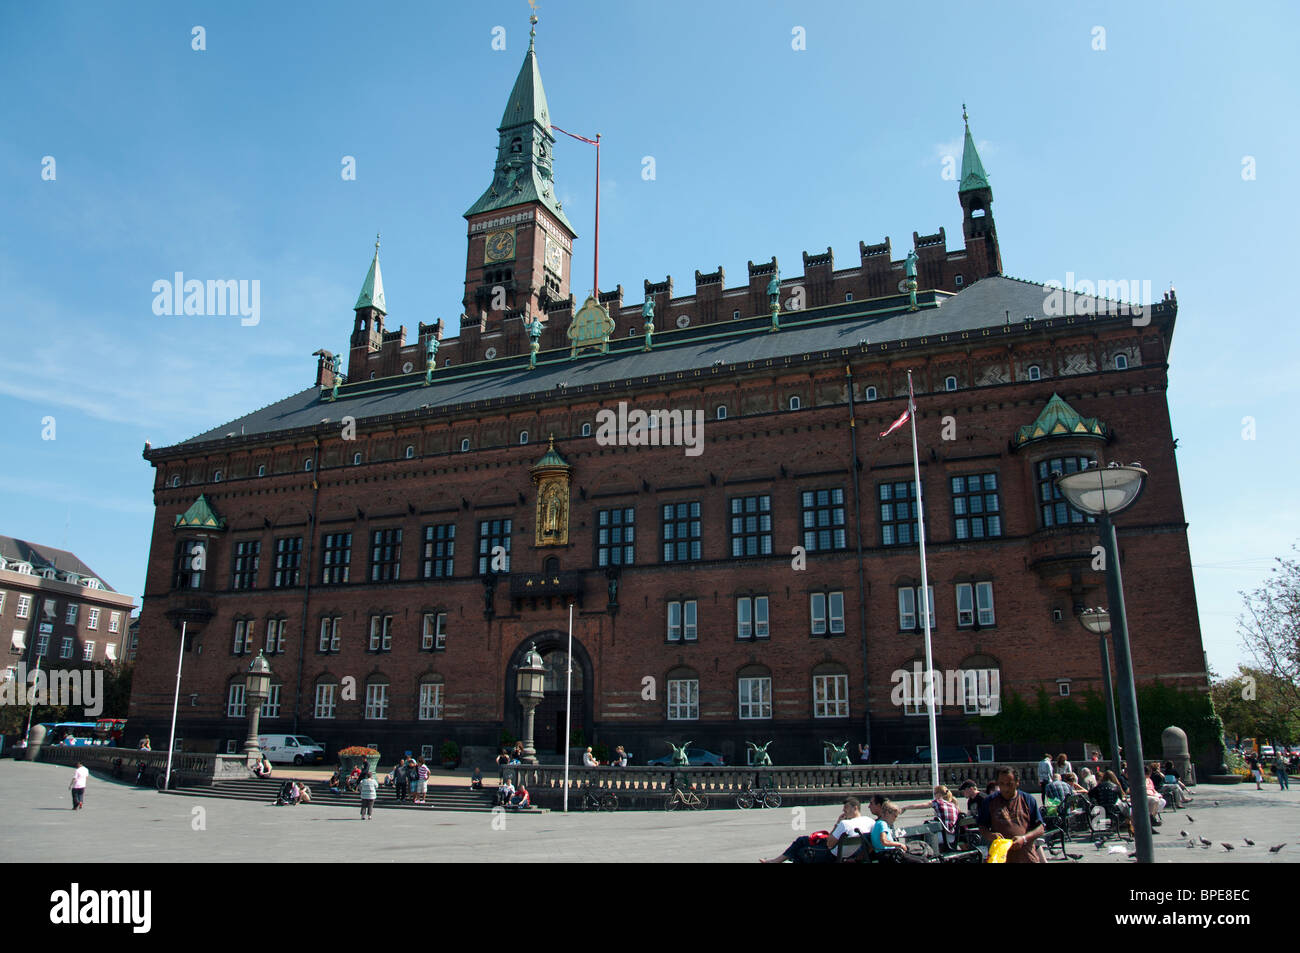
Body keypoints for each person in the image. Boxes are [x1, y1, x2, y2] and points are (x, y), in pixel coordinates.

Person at [760, 797, 872, 863]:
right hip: (850, 854)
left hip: (833, 855)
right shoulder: (869, 821)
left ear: (855, 808)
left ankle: (775, 861)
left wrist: (837, 823)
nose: (843, 810)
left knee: (801, 850)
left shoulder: (845, 824)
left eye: (846, 807)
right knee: (803, 840)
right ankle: (775, 861)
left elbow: (829, 844)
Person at [977, 767, 1047, 863]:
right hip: (1000, 857)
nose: (1005, 788)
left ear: (1017, 782)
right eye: (1002, 784)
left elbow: (1040, 828)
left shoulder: (1028, 799)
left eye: (1009, 784)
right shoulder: (989, 802)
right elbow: (982, 826)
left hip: (1026, 856)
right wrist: (990, 835)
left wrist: (1024, 839)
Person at [931, 785, 960, 851]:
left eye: (935, 793)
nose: (934, 795)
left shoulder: (939, 803)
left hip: (944, 836)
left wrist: (905, 807)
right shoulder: (954, 805)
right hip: (955, 836)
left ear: (939, 794)